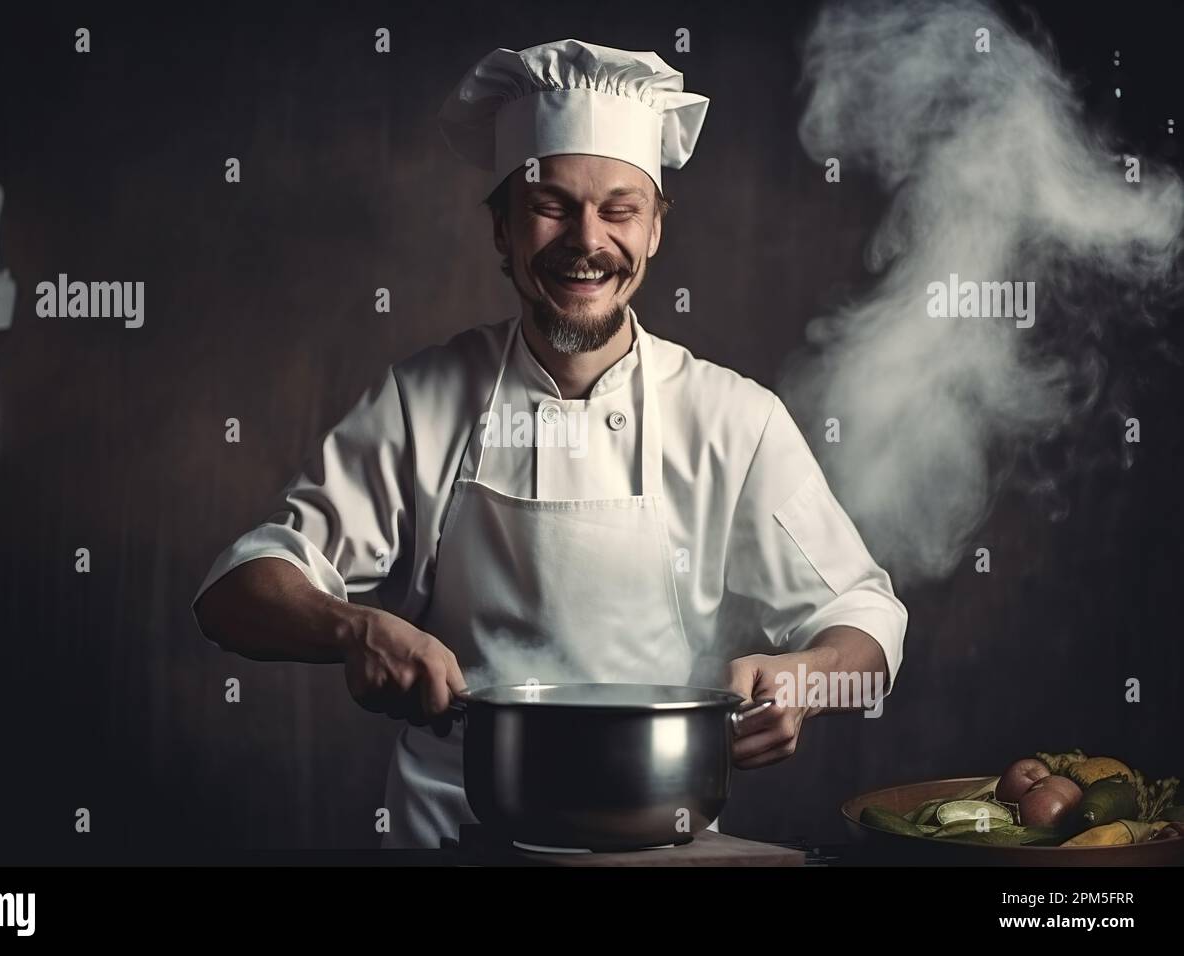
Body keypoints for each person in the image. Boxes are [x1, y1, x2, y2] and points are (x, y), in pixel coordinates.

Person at [193, 38, 907, 849]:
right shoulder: (422, 402)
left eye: (619, 209)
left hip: (661, 840)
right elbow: (234, 595)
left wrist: (807, 681)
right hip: (450, 834)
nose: (587, 239)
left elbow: (866, 617)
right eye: (550, 205)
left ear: (656, 231)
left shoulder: (734, 418)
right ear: (501, 229)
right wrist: (352, 629)